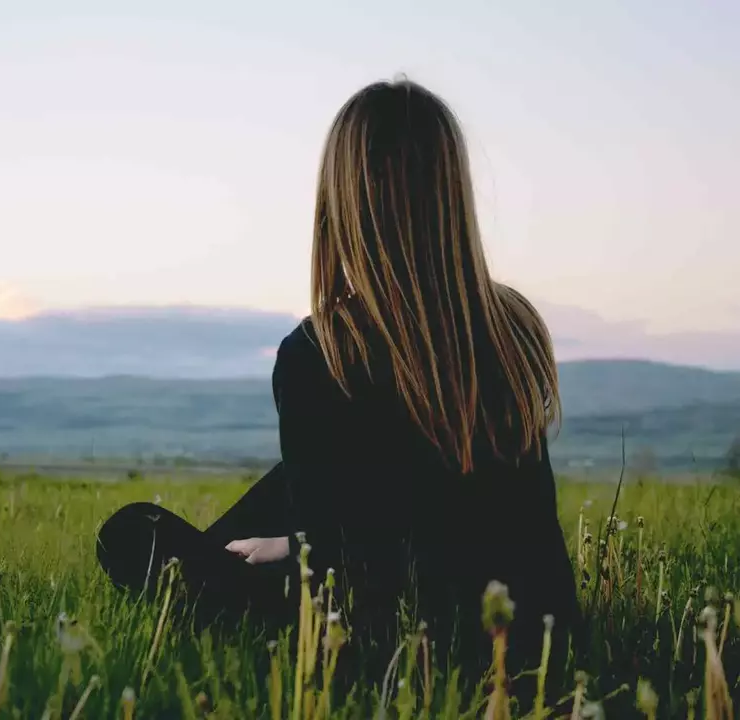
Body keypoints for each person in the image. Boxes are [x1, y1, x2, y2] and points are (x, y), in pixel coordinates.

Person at [96, 78, 579, 689]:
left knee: (132, 536)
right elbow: (460, 508)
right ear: (451, 192)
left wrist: (295, 548)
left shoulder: (324, 351)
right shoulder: (516, 325)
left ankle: (209, 585)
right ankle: (242, 555)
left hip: (391, 643)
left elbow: (346, 568)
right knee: (294, 487)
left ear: (344, 199)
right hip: (537, 632)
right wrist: (293, 540)